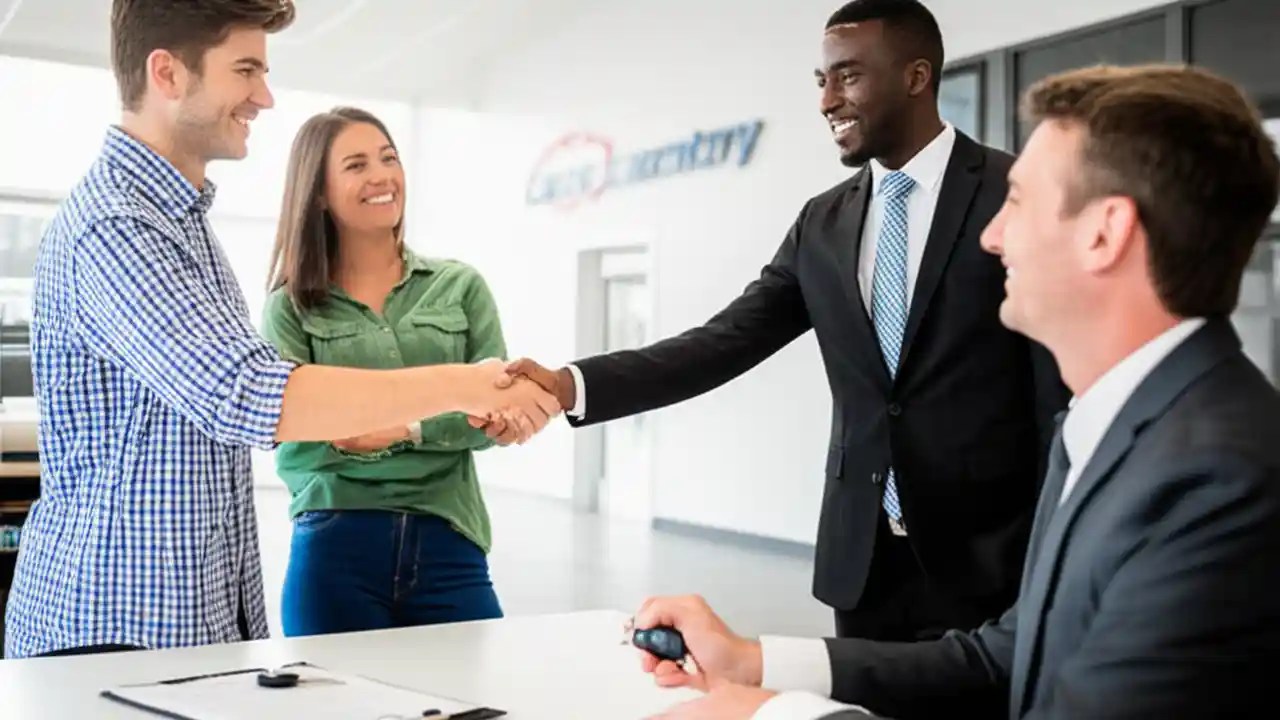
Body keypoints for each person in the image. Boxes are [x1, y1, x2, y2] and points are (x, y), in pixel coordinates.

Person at [630, 62, 1280, 720]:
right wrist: (754, 663)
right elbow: (1006, 655)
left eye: (1018, 202)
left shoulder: (1221, 483)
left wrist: (771, 717)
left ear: (1103, 234)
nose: (993, 236)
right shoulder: (1108, 430)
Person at [480, 0, 1069, 642]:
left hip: (996, 564)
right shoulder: (823, 224)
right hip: (865, 567)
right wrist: (570, 384)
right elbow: (722, 343)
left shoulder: (1013, 192)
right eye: (822, 81)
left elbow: (1056, 391)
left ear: (916, 76)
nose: (827, 101)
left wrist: (1063, 542)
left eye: (848, 76)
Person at [3, 0, 557, 659]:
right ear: (168, 74)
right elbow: (242, 394)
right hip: (114, 627)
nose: (264, 97)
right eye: (245, 71)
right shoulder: (120, 226)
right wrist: (467, 385)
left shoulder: (178, 220)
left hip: (181, 623)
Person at [260, 107, 510, 636]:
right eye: (356, 165)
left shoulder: (460, 287)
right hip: (334, 544)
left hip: (450, 535)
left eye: (389, 158)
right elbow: (293, 431)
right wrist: (448, 408)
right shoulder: (291, 307)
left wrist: (401, 429)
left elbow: (494, 414)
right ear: (319, 192)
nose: (381, 176)